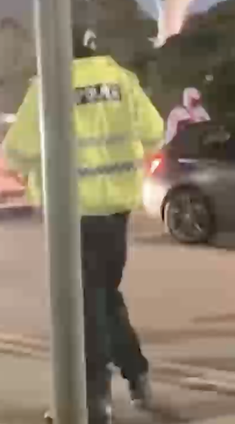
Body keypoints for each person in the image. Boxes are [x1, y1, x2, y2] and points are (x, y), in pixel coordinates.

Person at [3, 28, 165, 424]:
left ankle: (91, 401)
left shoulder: (50, 86)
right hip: (116, 209)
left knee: (85, 305)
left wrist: (31, 170)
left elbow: (17, 149)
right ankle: (136, 373)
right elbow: (154, 131)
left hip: (71, 212)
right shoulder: (121, 80)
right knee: (104, 295)